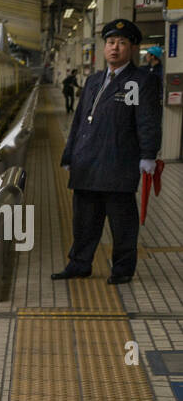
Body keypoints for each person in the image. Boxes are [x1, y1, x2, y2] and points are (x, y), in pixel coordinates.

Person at [52, 19, 162, 285]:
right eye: (111, 43)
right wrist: (69, 156)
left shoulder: (139, 81)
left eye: (122, 43)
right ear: (104, 47)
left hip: (119, 163)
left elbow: (147, 119)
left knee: (122, 223)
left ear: (133, 48)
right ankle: (79, 264)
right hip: (87, 163)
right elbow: (79, 120)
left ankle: (122, 269)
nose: (115, 48)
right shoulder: (93, 80)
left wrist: (148, 155)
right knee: (84, 221)